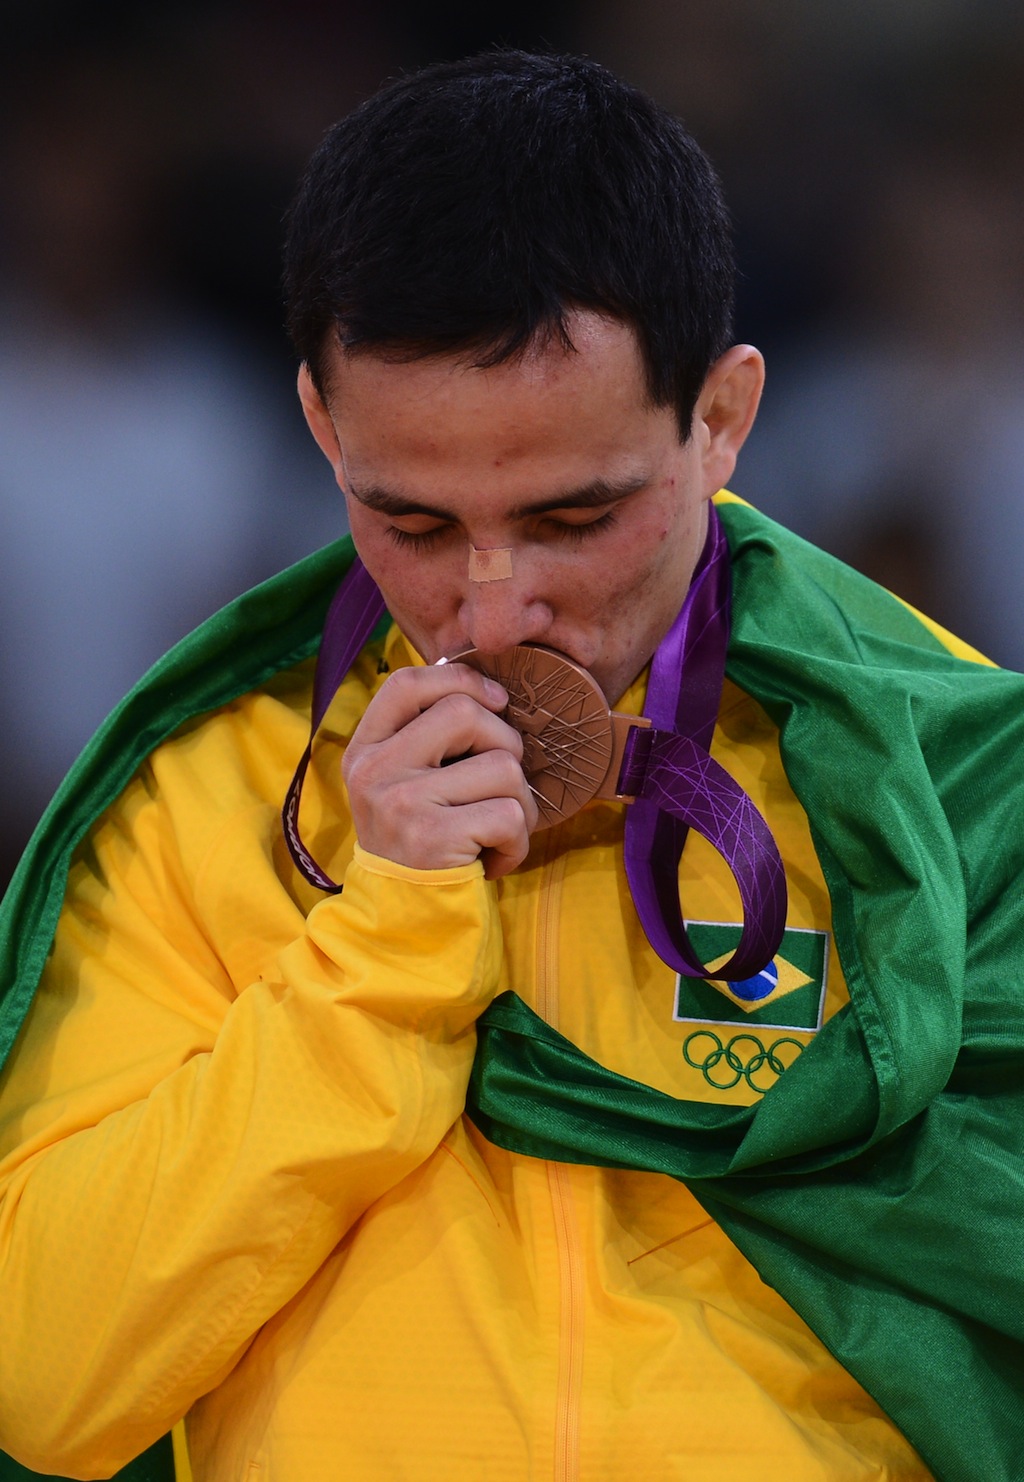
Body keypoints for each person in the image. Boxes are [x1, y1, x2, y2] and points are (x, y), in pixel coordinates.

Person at [1, 51, 1023, 1482]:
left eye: (572, 518)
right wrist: (375, 961)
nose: (489, 614)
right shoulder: (198, 793)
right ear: (322, 428)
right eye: (412, 523)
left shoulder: (954, 772)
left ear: (720, 420)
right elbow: (41, 1378)